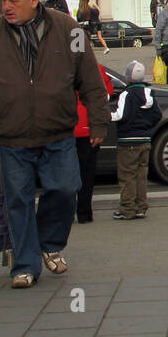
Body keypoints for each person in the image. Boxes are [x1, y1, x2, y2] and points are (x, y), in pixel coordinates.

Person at [0, 0, 110, 288]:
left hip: (57, 132)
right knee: (18, 201)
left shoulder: (68, 29)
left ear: (34, 0)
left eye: (13, 1)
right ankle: (24, 266)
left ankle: (50, 243)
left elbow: (89, 78)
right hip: (10, 136)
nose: (6, 7)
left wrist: (99, 121)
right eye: (3, 1)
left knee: (66, 189)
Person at [110, 60, 162, 220]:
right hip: (145, 140)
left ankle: (127, 208)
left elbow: (121, 115)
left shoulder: (127, 94)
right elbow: (157, 115)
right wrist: (147, 128)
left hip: (128, 141)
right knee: (141, 175)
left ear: (128, 78)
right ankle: (141, 207)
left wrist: (106, 115)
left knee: (127, 176)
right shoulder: (149, 93)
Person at [73, 63, 114, 224]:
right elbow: (107, 92)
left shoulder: (61, 64)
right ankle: (84, 213)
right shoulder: (96, 67)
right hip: (89, 128)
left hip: (66, 127)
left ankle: (65, 213)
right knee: (87, 175)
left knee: (65, 175)